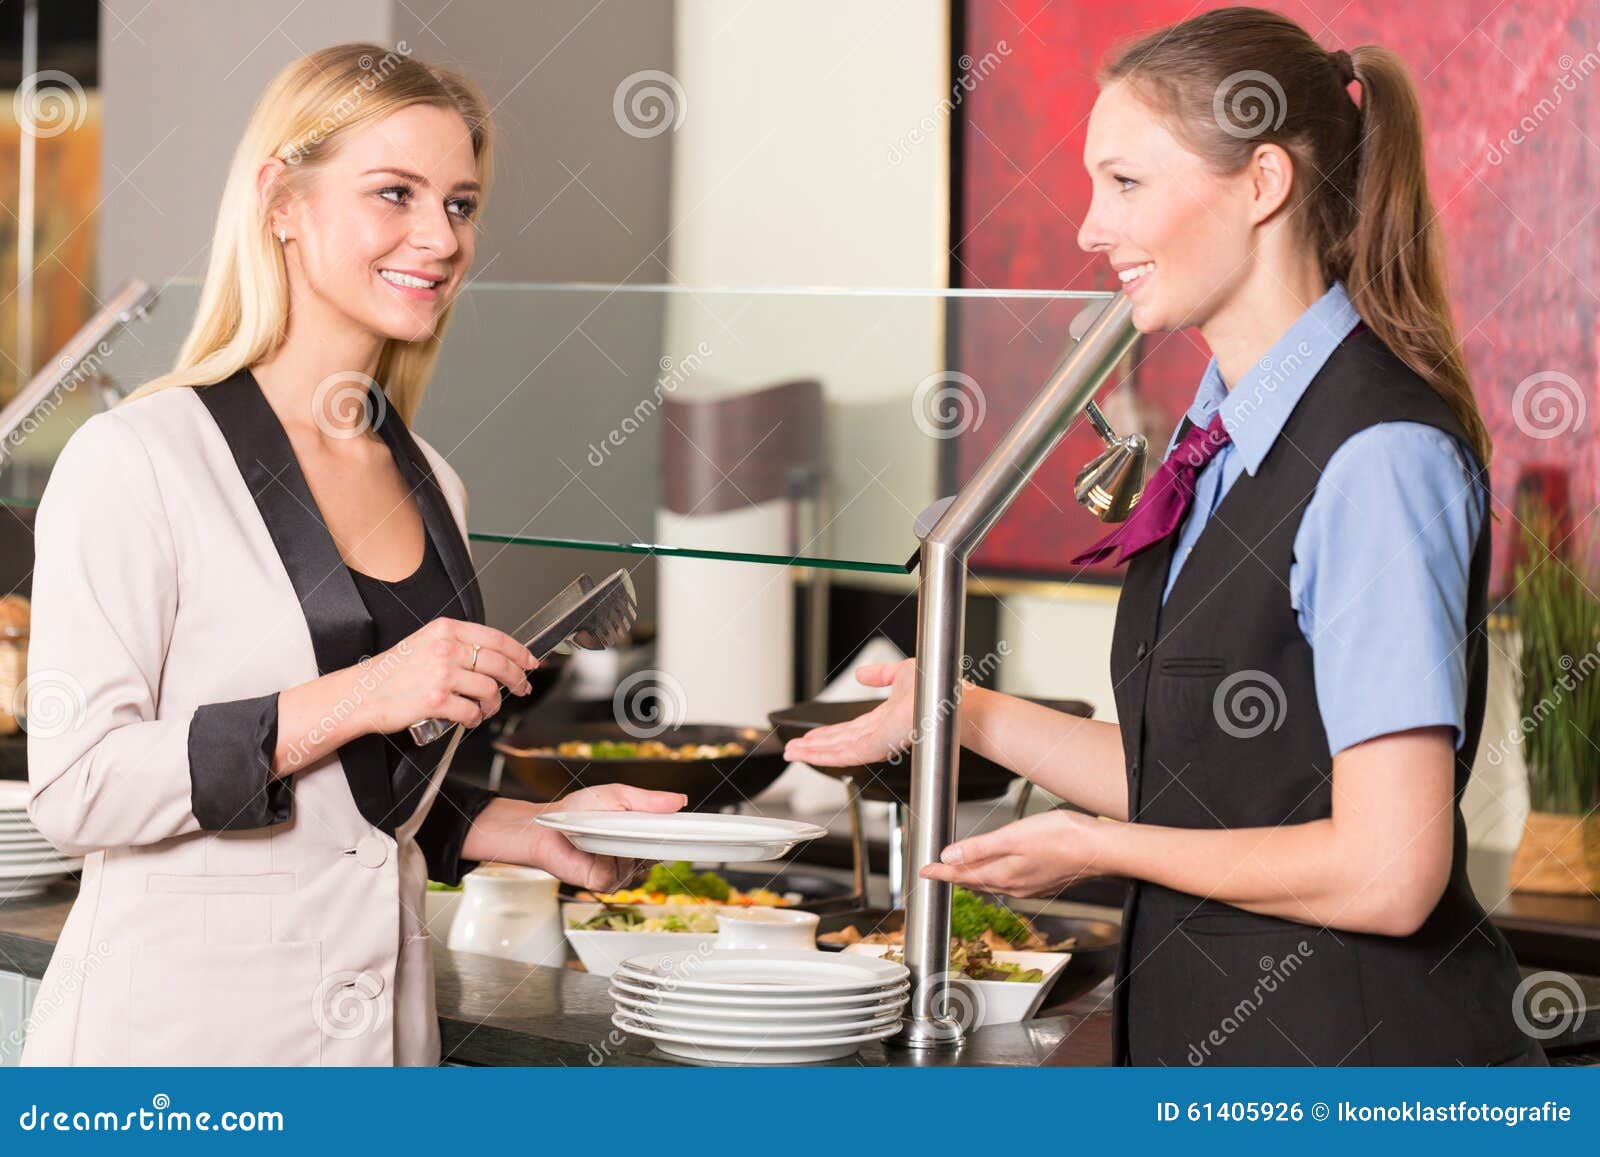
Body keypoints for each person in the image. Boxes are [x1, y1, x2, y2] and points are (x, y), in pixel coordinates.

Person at [786, 7, 1541, 1066]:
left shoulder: (1376, 455)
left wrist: (1098, 846)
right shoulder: (1217, 439)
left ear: (1263, 183)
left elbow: (1390, 871)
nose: (1091, 228)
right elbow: (1207, 779)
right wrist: (956, 709)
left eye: (1127, 182)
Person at [22, 43, 682, 1066]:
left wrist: (525, 825)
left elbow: (359, 796)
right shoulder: (139, 458)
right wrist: (367, 690)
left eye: (460, 204)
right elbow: (80, 786)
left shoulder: (431, 478)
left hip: (377, 1045)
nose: (441, 238)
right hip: (179, 1050)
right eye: (395, 193)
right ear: (282, 201)